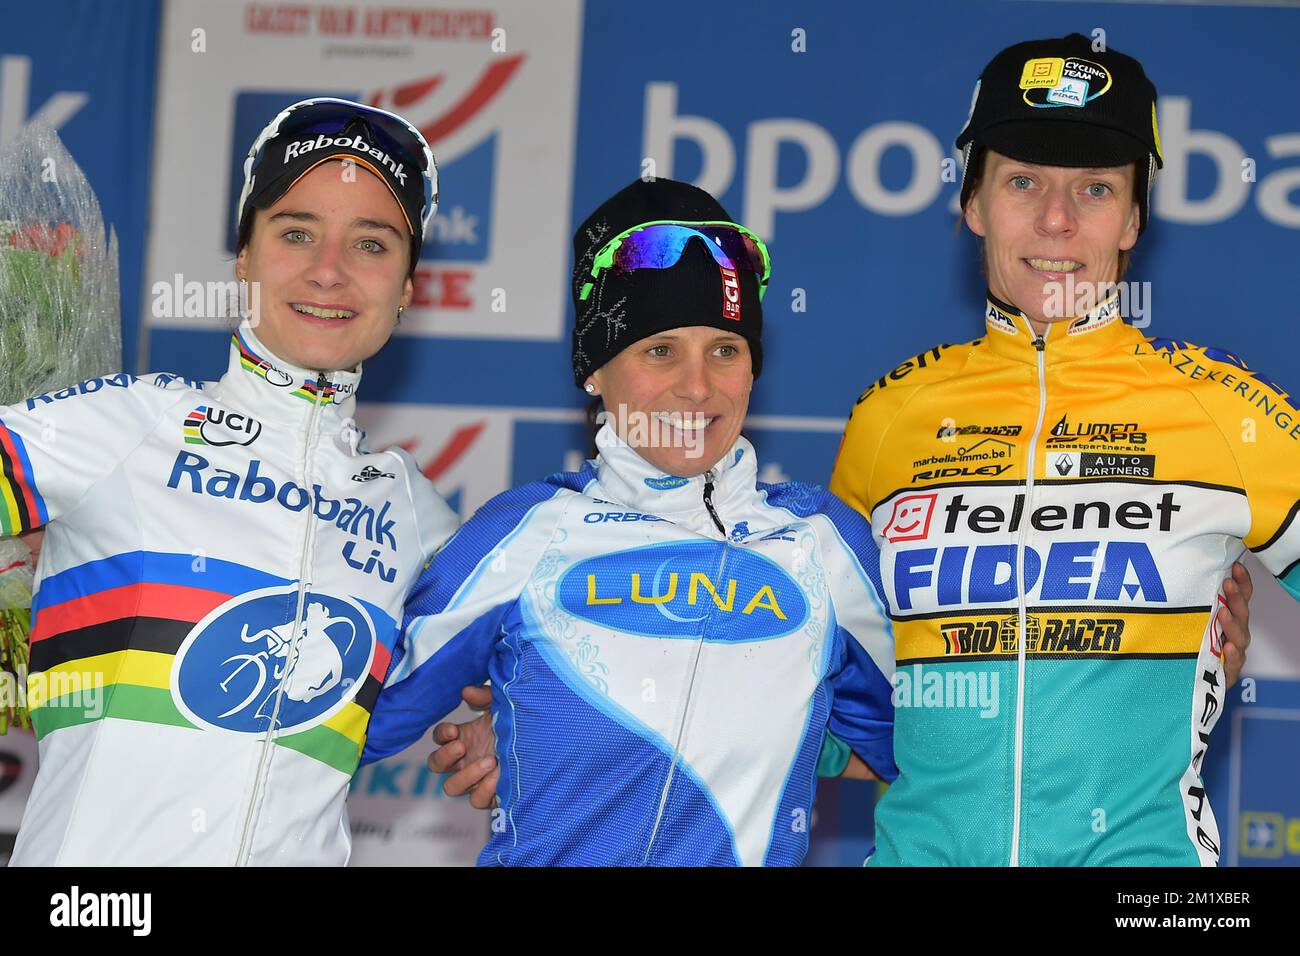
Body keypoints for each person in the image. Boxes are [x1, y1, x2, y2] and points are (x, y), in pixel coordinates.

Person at [825, 34, 1295, 865]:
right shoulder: (888, 419)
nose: (1056, 220)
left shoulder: (1227, 413)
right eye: (1023, 181)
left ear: (1135, 219)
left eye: (1097, 189)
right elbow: (829, 705)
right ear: (973, 203)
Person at [359, 177, 897, 865]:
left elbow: (932, 759)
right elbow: (337, 732)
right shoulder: (521, 534)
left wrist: (779, 734)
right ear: (595, 372)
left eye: (725, 350)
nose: (697, 386)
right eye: (660, 350)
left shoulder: (824, 545)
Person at [3, 97, 457, 865]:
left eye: (372, 244)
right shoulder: (125, 427)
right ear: (243, 258)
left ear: (408, 287)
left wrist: (494, 725)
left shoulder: (417, 513)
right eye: (296, 232)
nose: (328, 269)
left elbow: (502, 671)